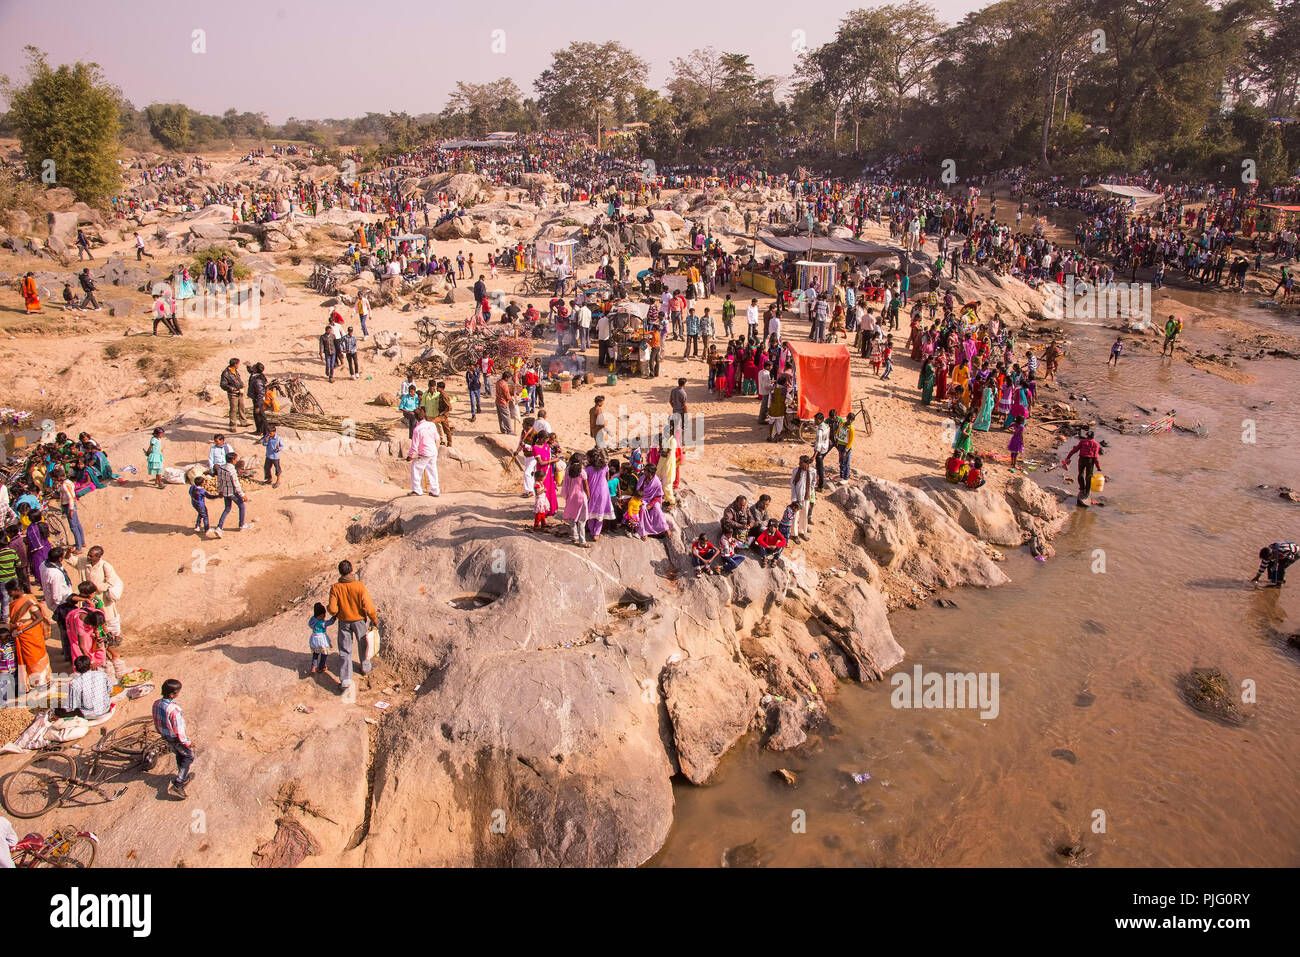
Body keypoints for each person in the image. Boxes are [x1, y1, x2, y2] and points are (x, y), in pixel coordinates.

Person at [327, 559, 380, 692]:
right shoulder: (359, 586)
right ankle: (365, 668)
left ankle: (345, 679)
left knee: (345, 649)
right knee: (363, 644)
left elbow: (333, 610)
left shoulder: (335, 588)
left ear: (340, 572)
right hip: (359, 621)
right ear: (351, 570)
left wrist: (332, 609)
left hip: (344, 622)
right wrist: (374, 619)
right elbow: (369, 606)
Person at [153, 678, 195, 799]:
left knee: (179, 755)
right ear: (173, 694)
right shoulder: (174, 711)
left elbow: (156, 720)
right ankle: (178, 783)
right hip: (175, 738)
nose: (178, 693)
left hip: (165, 735)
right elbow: (179, 731)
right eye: (178, 692)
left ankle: (184, 776)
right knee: (188, 757)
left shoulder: (156, 703)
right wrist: (188, 742)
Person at [7, 580, 51, 691]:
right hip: (22, 634)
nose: (9, 594)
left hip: (31, 634)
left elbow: (39, 618)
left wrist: (23, 630)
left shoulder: (29, 601)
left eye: (10, 591)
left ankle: (41, 681)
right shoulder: (17, 601)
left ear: (17, 590)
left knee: (35, 657)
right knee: (27, 658)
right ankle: (33, 681)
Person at [74, 546, 123, 645]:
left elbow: (111, 582)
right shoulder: (83, 562)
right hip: (89, 597)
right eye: (88, 554)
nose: (88, 557)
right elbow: (72, 561)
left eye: (91, 556)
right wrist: (68, 554)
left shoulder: (105, 566)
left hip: (102, 597)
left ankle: (114, 636)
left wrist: (96, 588)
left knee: (109, 617)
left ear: (98, 557)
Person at [60, 655, 112, 720]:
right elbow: (110, 690)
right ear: (90, 666)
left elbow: (72, 705)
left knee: (60, 710)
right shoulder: (101, 674)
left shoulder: (75, 683)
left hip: (90, 714)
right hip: (106, 708)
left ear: (76, 669)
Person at [1062, 430, 1102, 507]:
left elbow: (1074, 450)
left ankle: (1082, 489)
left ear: (1087, 436)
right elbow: (1096, 457)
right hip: (1090, 460)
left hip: (1082, 459)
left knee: (1081, 473)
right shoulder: (1096, 444)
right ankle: (1087, 492)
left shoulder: (1082, 442)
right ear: (1093, 437)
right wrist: (1098, 467)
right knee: (1089, 476)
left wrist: (1068, 458)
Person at [407, 407, 441, 496]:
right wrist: (436, 450)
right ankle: (435, 490)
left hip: (424, 453)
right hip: (433, 451)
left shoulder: (417, 430)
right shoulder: (431, 425)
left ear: (416, 417)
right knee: (433, 470)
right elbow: (437, 438)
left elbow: (414, 446)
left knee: (416, 469)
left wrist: (410, 456)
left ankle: (417, 490)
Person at [561, 453, 592, 547]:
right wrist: (588, 497)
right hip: (581, 497)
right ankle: (582, 541)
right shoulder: (582, 472)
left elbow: (565, 484)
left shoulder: (567, 471)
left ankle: (575, 537)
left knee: (571, 518)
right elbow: (586, 487)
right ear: (580, 461)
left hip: (571, 497)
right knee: (582, 520)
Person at [215, 454, 250, 532]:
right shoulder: (232, 470)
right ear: (232, 460)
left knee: (227, 508)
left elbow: (219, 480)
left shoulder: (221, 468)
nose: (236, 461)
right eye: (236, 459)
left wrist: (220, 491)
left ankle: (219, 527)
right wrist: (242, 495)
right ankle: (242, 525)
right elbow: (236, 484)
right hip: (232, 492)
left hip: (225, 492)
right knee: (242, 506)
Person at [307, 602, 336, 674]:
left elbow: (309, 624)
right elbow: (330, 622)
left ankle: (313, 667)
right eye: (323, 615)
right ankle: (321, 667)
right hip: (322, 640)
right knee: (324, 654)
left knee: (315, 653)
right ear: (320, 615)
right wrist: (335, 616)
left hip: (314, 639)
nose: (324, 617)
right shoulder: (322, 623)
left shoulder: (312, 620)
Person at [789, 457, 813, 541]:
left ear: (806, 464)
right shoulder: (796, 471)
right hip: (797, 497)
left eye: (801, 462)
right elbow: (792, 485)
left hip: (806, 498)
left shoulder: (812, 472)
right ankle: (794, 534)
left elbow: (812, 484)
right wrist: (794, 498)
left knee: (804, 515)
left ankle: (802, 531)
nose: (799, 464)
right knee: (795, 515)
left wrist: (809, 495)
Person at [220, 358, 248, 430]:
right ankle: (232, 426)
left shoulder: (235, 370)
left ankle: (243, 422)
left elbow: (237, 380)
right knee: (233, 409)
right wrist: (232, 389)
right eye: (238, 364)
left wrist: (242, 385)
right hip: (233, 394)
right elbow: (223, 385)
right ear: (235, 364)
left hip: (240, 392)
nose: (238, 365)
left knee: (241, 407)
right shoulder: (226, 373)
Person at [812, 414, 831, 491]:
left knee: (820, 468)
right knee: (820, 466)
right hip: (826, 448)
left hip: (820, 450)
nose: (815, 421)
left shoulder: (820, 431)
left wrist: (814, 456)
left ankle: (820, 486)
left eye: (816, 420)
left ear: (820, 420)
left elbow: (818, 445)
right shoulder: (826, 426)